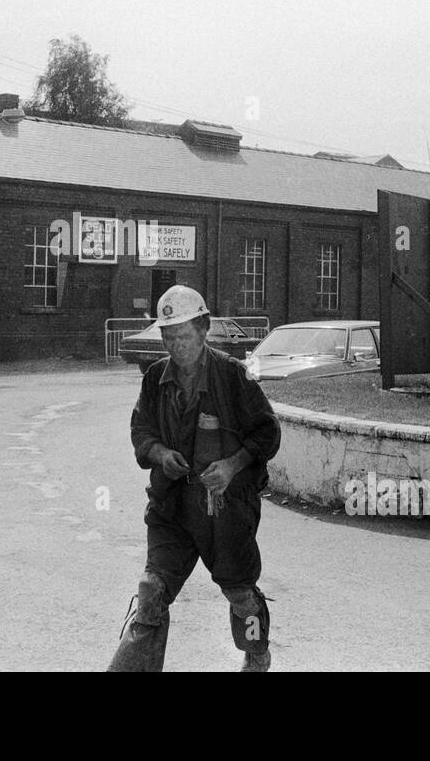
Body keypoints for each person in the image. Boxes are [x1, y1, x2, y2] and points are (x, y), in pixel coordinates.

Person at [108, 285, 280, 672]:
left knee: (240, 593)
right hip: (171, 506)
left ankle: (257, 654)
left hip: (225, 511)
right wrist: (160, 454)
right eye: (168, 336)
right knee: (152, 591)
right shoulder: (154, 378)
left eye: (183, 335)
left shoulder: (234, 376)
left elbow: (267, 433)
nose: (175, 345)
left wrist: (232, 465)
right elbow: (141, 431)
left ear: (204, 329)